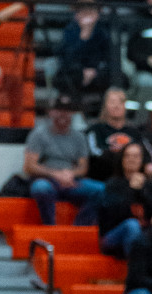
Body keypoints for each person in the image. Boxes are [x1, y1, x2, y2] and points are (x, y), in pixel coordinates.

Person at [23, 95, 104, 226]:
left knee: (100, 190)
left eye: (66, 111)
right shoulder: (39, 134)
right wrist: (55, 175)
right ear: (51, 112)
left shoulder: (79, 137)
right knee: (40, 188)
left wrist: (70, 174)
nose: (63, 115)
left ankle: (78, 229)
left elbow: (83, 167)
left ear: (72, 114)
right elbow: (29, 166)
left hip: (71, 181)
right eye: (59, 110)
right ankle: (50, 227)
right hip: (47, 180)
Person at [54, 0, 116, 115]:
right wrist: (83, 37)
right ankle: (72, 111)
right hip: (73, 71)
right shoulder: (70, 30)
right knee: (66, 78)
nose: (88, 15)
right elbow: (65, 57)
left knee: (117, 77)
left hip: (97, 72)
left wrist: (95, 70)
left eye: (91, 11)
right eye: (84, 11)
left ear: (97, 14)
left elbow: (109, 56)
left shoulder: (102, 31)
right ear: (77, 15)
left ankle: (102, 111)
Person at [97, 141, 152, 258]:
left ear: (142, 160)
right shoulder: (112, 185)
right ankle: (136, 271)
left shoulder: (151, 185)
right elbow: (114, 215)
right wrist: (132, 190)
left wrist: (141, 191)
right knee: (132, 225)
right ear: (121, 159)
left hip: (145, 233)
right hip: (114, 236)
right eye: (127, 156)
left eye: (136, 156)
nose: (132, 159)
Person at [85, 87, 152, 183]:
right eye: (112, 102)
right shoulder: (95, 130)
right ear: (105, 106)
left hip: (132, 181)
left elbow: (147, 156)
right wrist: (121, 156)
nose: (116, 105)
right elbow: (94, 155)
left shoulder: (135, 132)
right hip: (102, 180)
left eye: (121, 102)